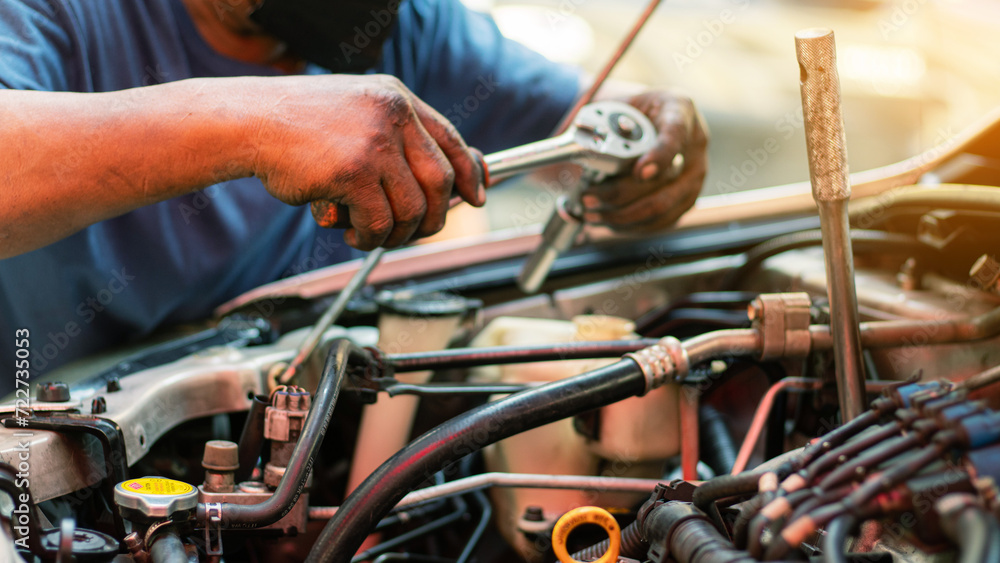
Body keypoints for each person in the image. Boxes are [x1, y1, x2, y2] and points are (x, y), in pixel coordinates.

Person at [0, 0, 707, 385]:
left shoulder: (406, 28)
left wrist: (654, 135)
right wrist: (257, 124)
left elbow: (587, 122)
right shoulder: (55, 15)